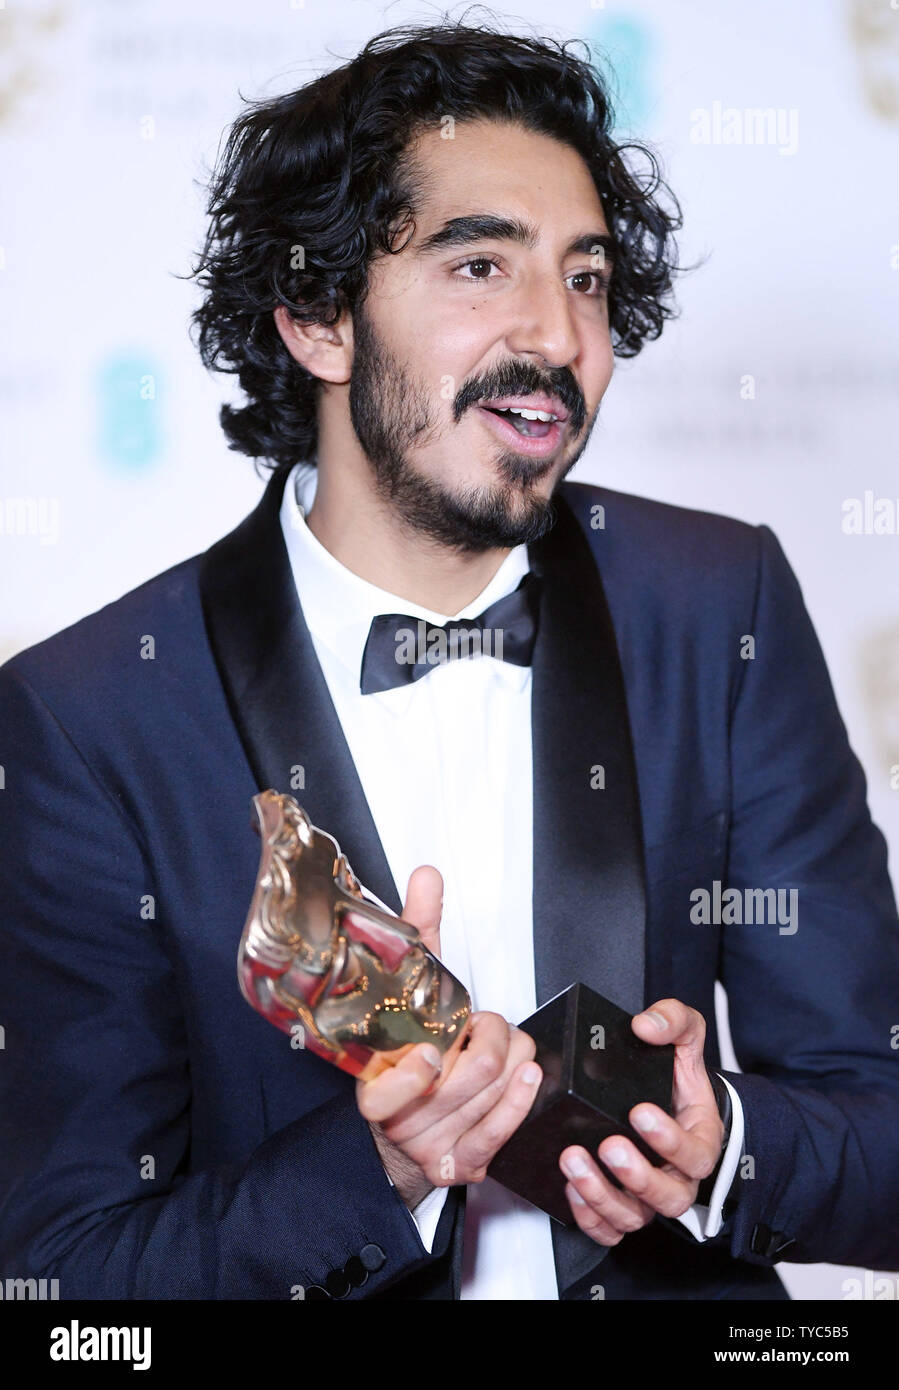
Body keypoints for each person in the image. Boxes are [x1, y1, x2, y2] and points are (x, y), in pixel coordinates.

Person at [1, 21, 897, 1302]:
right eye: (480, 265)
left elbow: (877, 1122)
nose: (557, 333)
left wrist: (725, 1147)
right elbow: (67, 1288)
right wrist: (374, 1166)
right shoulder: (94, 712)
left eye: (584, 277)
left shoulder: (715, 604)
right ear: (316, 317)